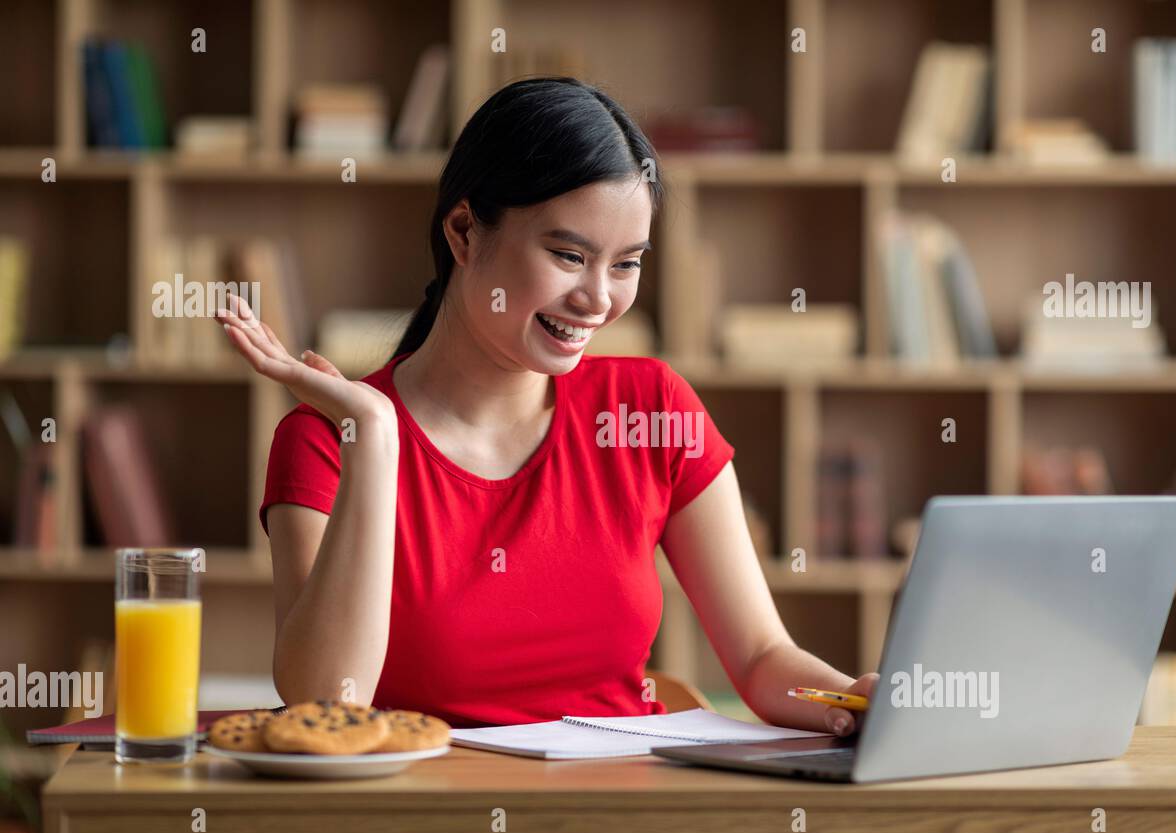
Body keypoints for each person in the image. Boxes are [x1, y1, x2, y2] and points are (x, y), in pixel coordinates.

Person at [216, 77, 878, 735]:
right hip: (429, 828)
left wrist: (854, 701)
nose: (598, 298)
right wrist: (375, 439)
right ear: (465, 232)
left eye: (626, 264)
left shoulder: (649, 409)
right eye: (569, 255)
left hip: (623, 814)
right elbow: (326, 703)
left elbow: (763, 657)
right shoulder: (327, 441)